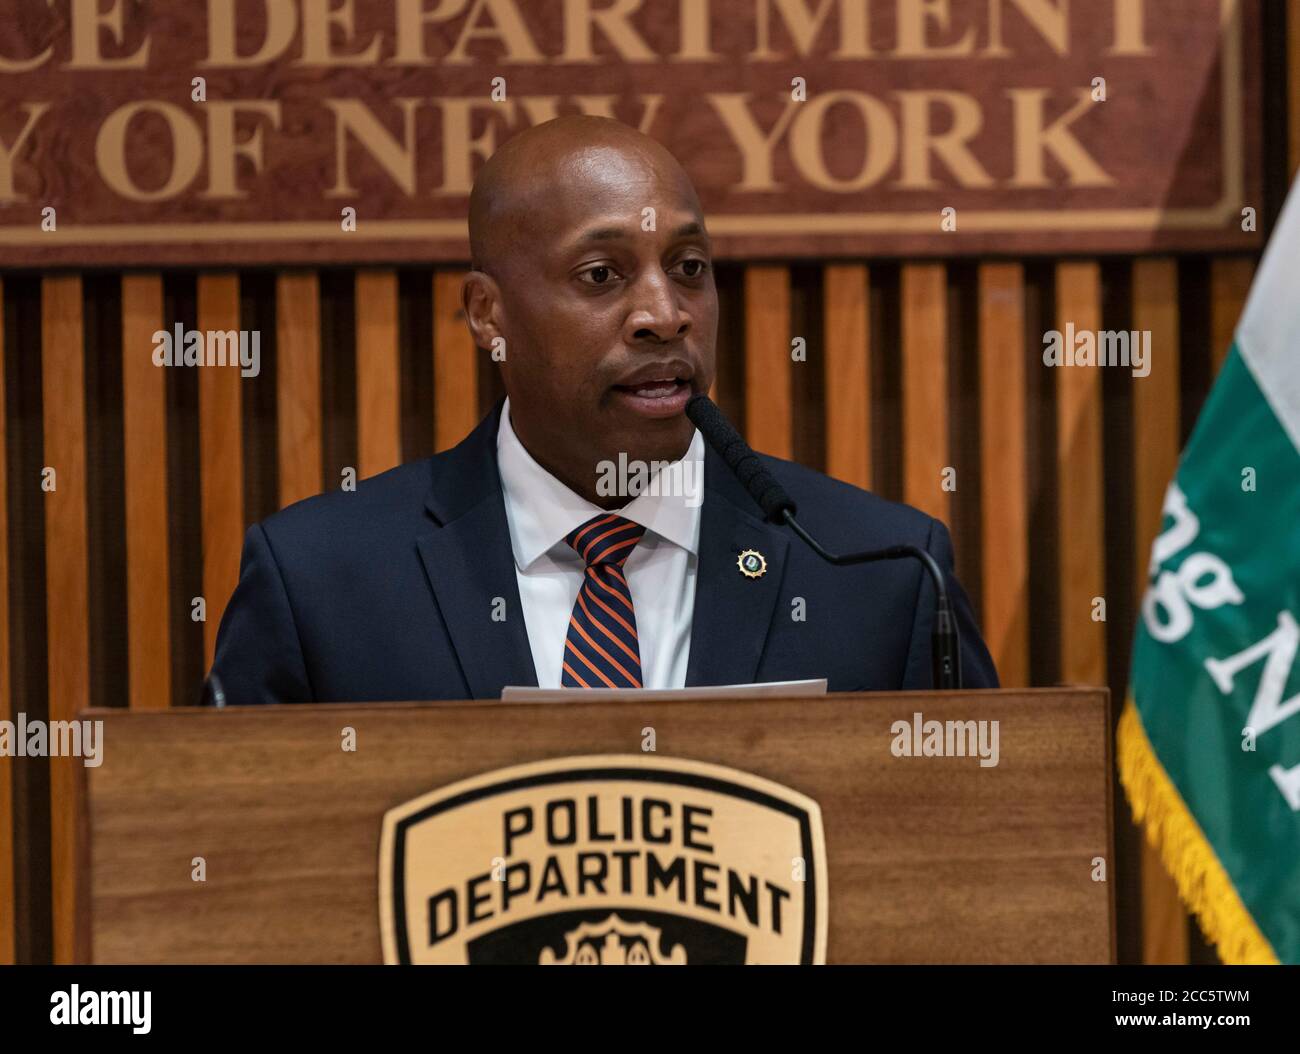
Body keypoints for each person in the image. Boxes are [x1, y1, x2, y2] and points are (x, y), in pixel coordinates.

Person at [210, 115, 997, 703]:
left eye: (689, 267)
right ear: (488, 314)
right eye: (601, 275)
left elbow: (987, 877)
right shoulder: (322, 586)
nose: (665, 313)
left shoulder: (884, 578)